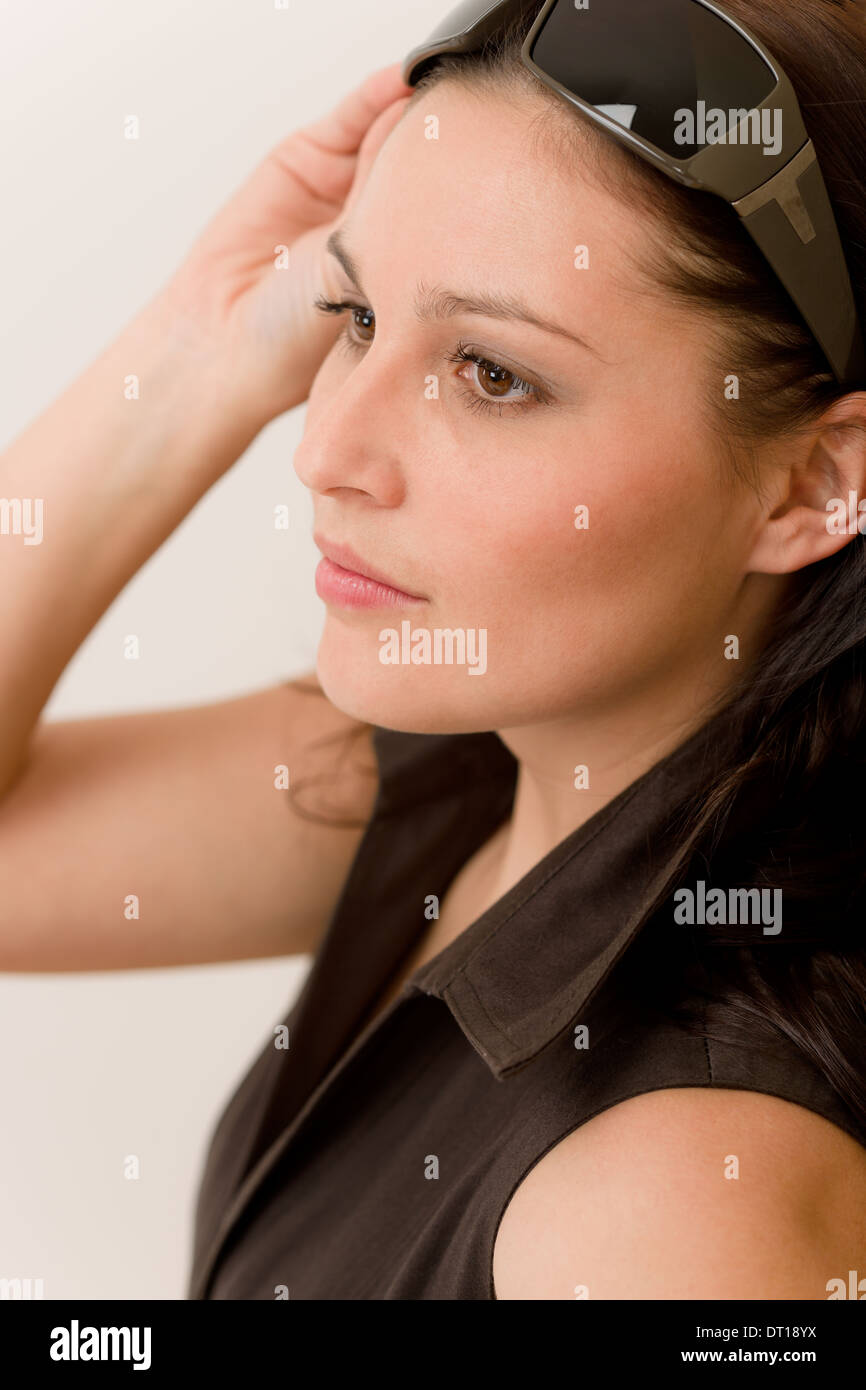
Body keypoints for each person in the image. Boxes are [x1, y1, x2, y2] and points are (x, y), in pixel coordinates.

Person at [3, 0, 866, 1300]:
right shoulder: (465, 785)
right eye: (350, 315)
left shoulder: (675, 1196)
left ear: (809, 483)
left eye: (491, 373)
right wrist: (197, 350)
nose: (322, 449)